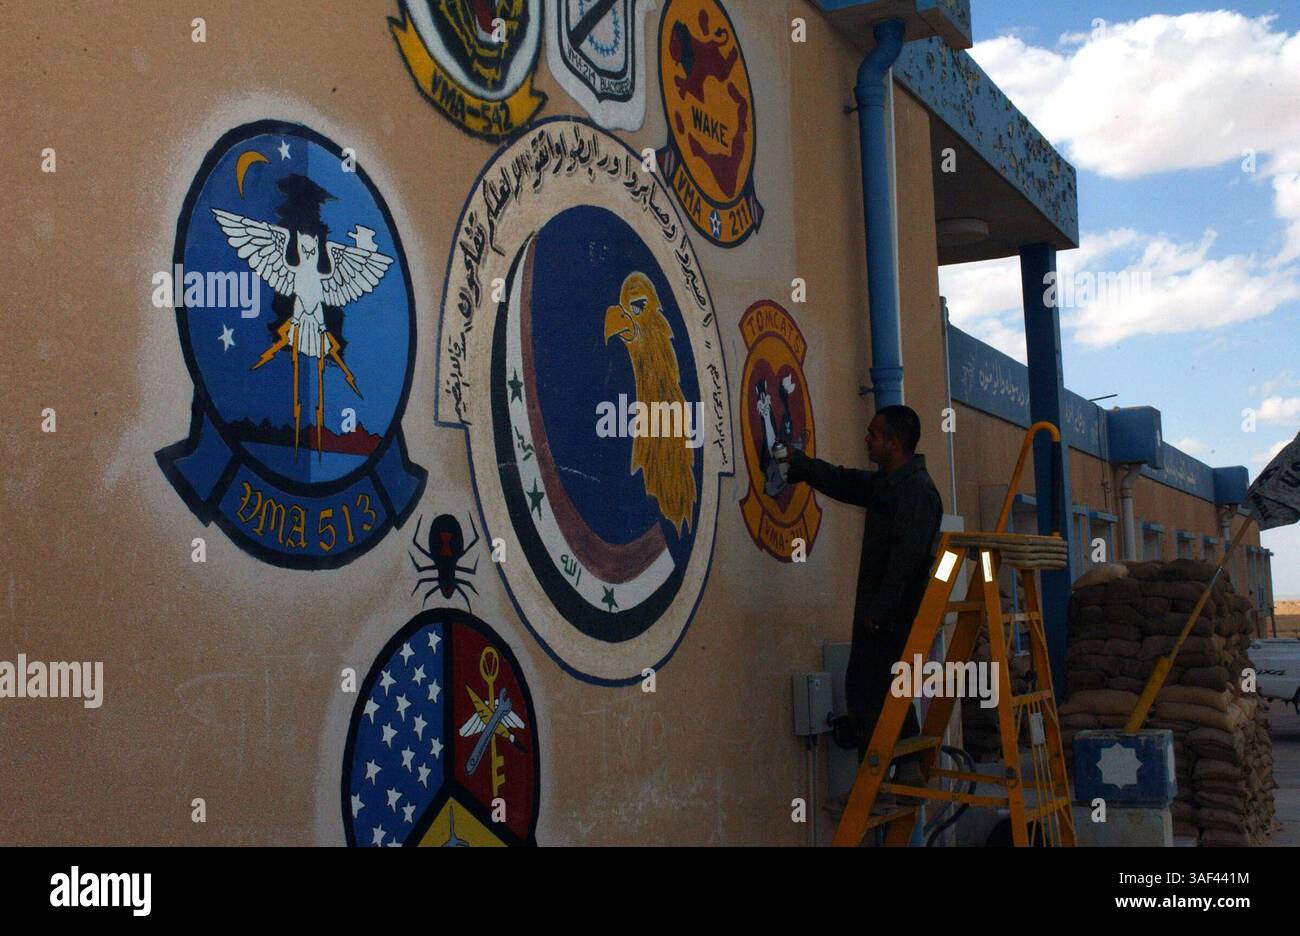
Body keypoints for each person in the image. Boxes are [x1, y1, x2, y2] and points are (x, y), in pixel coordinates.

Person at [783, 404, 943, 795]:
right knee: (883, 689)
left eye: (874, 434)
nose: (867, 440)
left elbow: (905, 561)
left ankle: (882, 772)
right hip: (883, 612)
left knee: (873, 689)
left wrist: (881, 610)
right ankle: (899, 768)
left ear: (894, 442)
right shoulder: (891, 484)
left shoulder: (917, 493)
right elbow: (846, 483)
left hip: (895, 615)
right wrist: (803, 466)